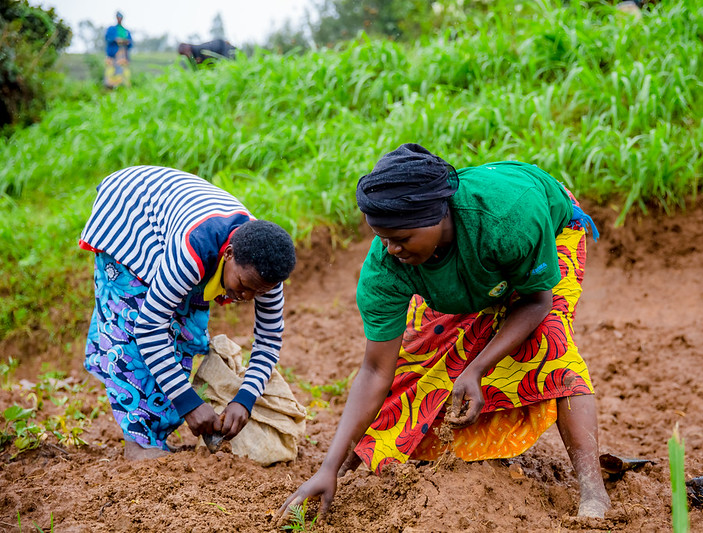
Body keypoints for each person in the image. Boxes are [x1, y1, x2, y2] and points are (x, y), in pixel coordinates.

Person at [280, 143, 611, 520]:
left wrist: (477, 368)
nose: (390, 249)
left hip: (548, 235)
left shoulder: (509, 219)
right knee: (420, 361)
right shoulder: (386, 268)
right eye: (382, 237)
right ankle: (345, 468)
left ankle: (593, 492)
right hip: (474, 272)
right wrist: (326, 467)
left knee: (550, 343)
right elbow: (375, 371)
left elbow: (537, 302)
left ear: (437, 215)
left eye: (401, 238)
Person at [80, 166, 296, 460]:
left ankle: (156, 433)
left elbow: (269, 341)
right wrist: (188, 402)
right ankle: (140, 442)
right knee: (134, 321)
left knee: (186, 330)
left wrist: (244, 400)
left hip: (177, 216)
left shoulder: (266, 273)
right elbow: (149, 327)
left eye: (258, 292)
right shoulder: (193, 250)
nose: (247, 297)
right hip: (132, 212)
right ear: (228, 254)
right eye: (243, 285)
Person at [103, 11, 133, 88]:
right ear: (116, 18)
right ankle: (110, 86)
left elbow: (130, 43)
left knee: (123, 69)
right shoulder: (112, 29)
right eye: (118, 17)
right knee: (111, 69)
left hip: (123, 54)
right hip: (113, 53)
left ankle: (123, 86)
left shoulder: (125, 31)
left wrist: (125, 42)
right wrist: (116, 40)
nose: (119, 19)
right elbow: (108, 38)